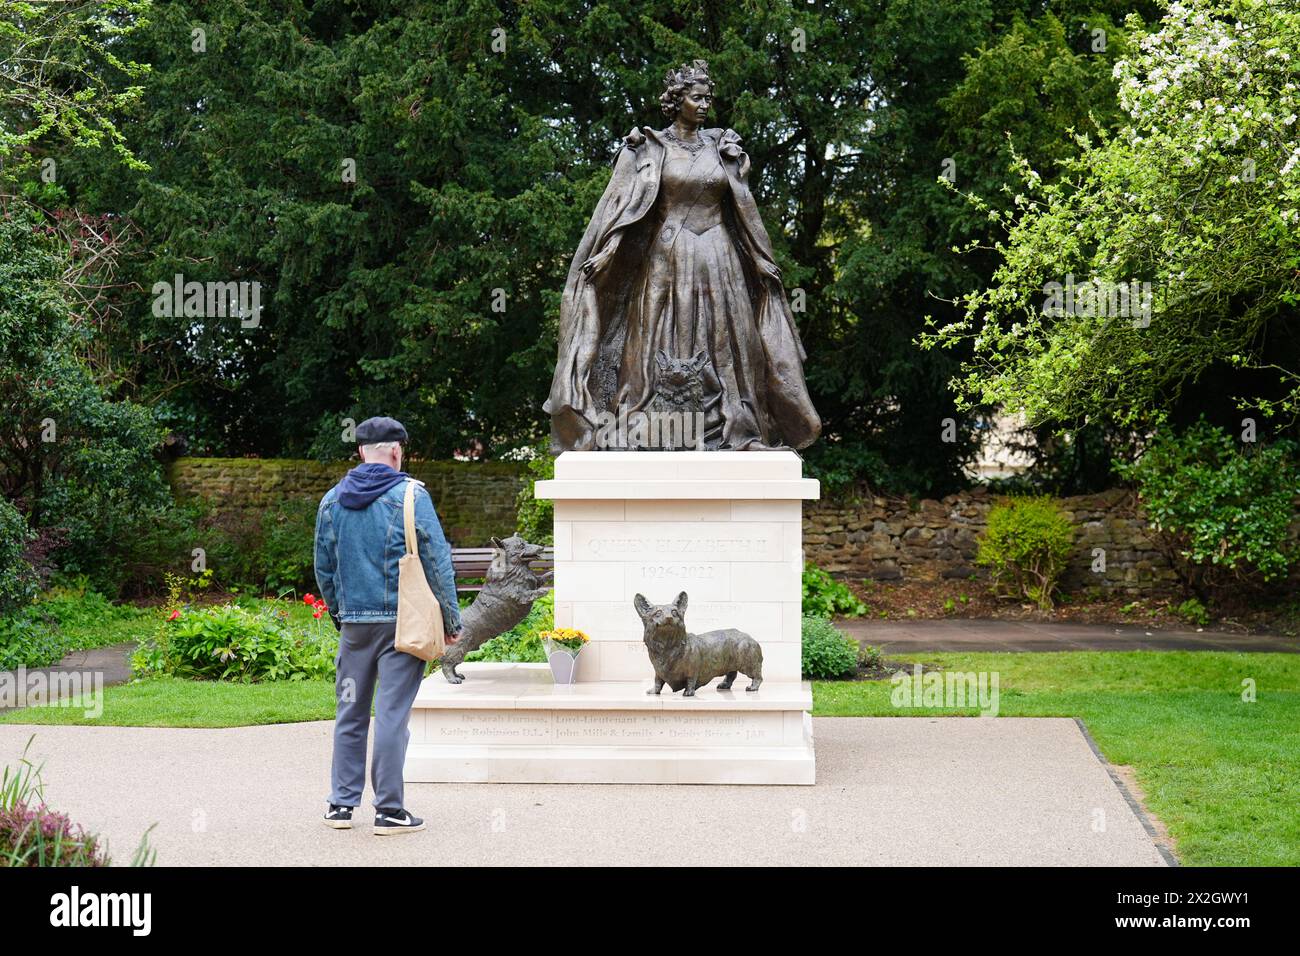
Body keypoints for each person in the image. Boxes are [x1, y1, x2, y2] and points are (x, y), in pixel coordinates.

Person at [544, 58, 821, 452]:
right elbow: (620, 206)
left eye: (708, 98)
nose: (705, 104)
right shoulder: (648, 147)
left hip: (720, 254)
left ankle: (736, 423)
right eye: (696, 97)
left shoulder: (722, 145)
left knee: (730, 339)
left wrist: (758, 257)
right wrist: (607, 251)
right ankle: (652, 423)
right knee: (653, 337)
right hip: (666, 255)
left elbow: (742, 207)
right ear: (676, 101)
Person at [313, 416, 463, 835]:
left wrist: (340, 615)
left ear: (361, 451)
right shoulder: (412, 495)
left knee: (350, 711)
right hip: (405, 627)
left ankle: (340, 806)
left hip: (356, 628)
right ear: (397, 450)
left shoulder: (331, 501)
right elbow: (436, 561)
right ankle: (389, 811)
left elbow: (324, 567)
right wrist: (451, 620)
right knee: (391, 715)